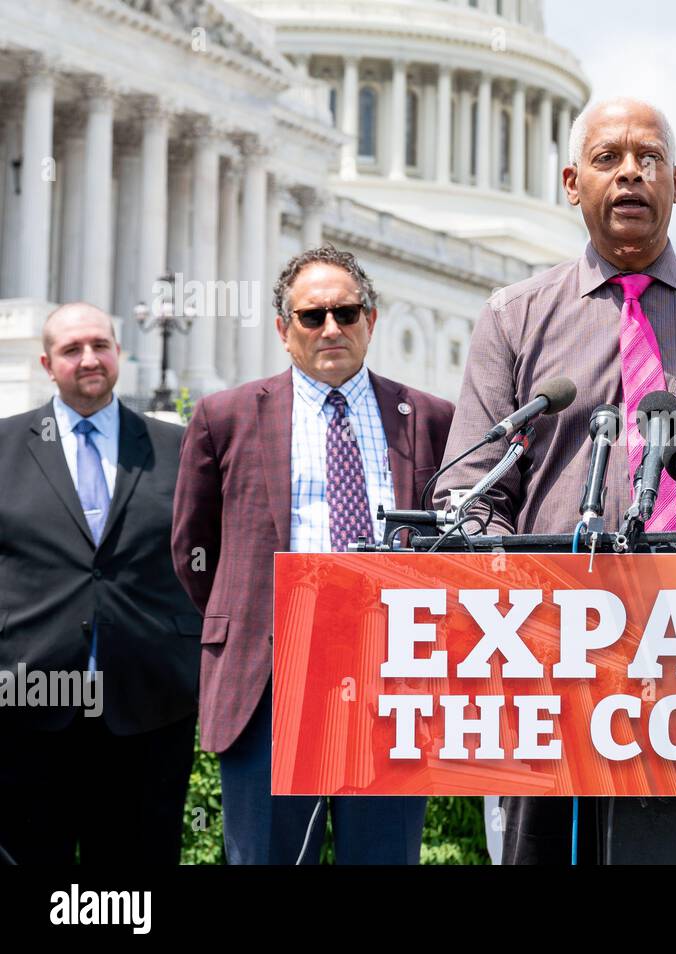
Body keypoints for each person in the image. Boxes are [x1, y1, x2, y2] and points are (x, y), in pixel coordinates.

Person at [433, 97, 676, 864]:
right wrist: (537, 619)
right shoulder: (512, 318)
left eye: (648, 160)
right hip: (548, 668)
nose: (630, 173)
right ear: (572, 183)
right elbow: (469, 496)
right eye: (608, 159)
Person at [171, 246, 455, 864]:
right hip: (270, 676)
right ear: (283, 329)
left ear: (371, 322)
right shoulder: (226, 417)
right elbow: (194, 546)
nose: (332, 328)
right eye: (311, 316)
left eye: (347, 313)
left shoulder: (430, 419)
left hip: (392, 681)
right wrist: (249, 614)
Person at [0, 303, 200, 864]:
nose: (90, 359)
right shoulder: (4, 447)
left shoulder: (178, 449)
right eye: (72, 349)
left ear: (117, 350)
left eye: (100, 344)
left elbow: (207, 558)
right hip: (28, 706)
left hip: (150, 706)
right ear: (47, 362)